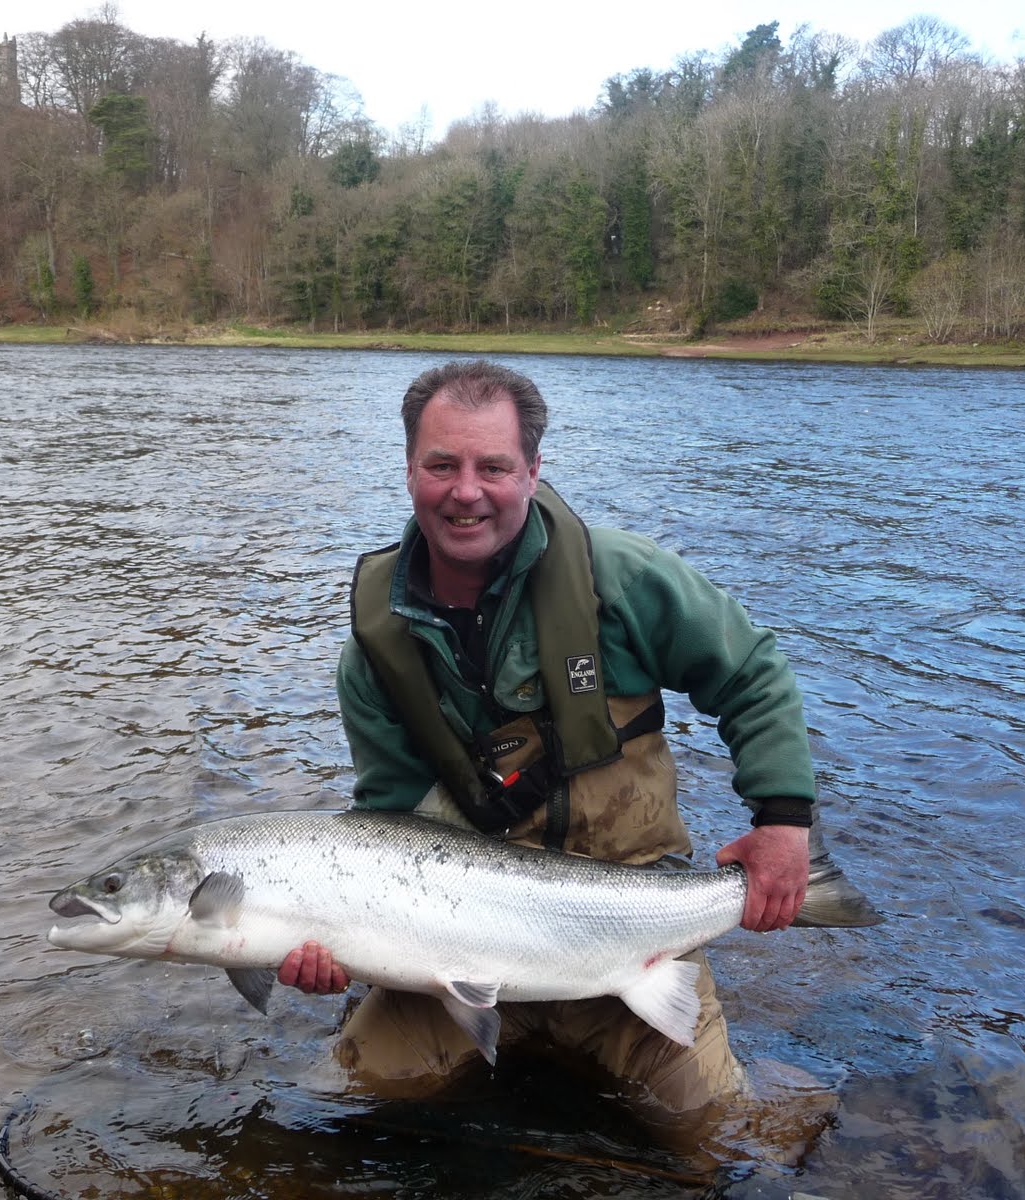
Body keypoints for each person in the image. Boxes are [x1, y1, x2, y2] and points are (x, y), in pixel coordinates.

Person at [279, 359, 816, 1121]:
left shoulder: (621, 581)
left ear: (532, 471)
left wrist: (783, 824)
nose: (466, 491)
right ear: (409, 472)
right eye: (442, 465)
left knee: (725, 1141)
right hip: (454, 961)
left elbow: (752, 674)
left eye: (492, 466)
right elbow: (391, 826)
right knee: (325, 1115)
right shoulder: (376, 652)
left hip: (636, 941)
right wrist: (338, 941)